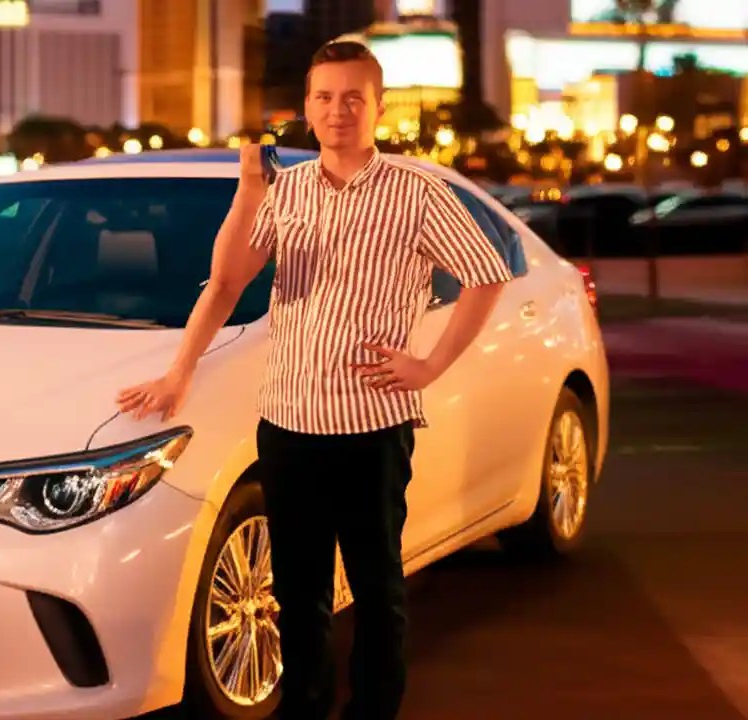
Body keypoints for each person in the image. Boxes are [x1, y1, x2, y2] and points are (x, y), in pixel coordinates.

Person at [115, 40, 514, 719]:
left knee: (377, 588)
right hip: (288, 425)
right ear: (307, 108)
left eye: (354, 98)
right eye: (325, 98)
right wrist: (178, 372)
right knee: (298, 594)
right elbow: (226, 281)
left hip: (371, 427)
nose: (339, 111)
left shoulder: (415, 191)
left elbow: (487, 273)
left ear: (379, 109)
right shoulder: (288, 190)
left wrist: (430, 365)